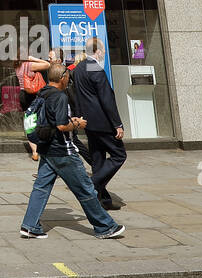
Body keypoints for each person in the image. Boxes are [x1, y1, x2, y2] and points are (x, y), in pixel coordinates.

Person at [19, 61, 125, 240]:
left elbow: (52, 119)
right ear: (62, 77)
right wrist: (77, 124)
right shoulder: (60, 97)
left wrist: (70, 120)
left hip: (47, 150)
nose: (69, 79)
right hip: (63, 152)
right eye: (67, 76)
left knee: (41, 188)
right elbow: (61, 126)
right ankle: (105, 227)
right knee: (86, 190)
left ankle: (29, 226)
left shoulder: (43, 93)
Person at [70, 39, 126, 208]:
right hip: (102, 122)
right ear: (98, 51)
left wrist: (79, 117)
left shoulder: (79, 68)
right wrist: (117, 124)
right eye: (103, 50)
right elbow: (106, 98)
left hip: (88, 122)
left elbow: (77, 96)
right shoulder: (95, 68)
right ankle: (93, 183)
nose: (105, 53)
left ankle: (103, 200)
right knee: (119, 155)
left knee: (98, 160)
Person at [16, 49, 57, 162]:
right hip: (33, 95)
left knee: (29, 123)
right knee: (40, 120)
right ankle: (42, 146)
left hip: (23, 95)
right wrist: (32, 59)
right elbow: (47, 65)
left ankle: (34, 152)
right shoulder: (29, 65)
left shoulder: (17, 66)